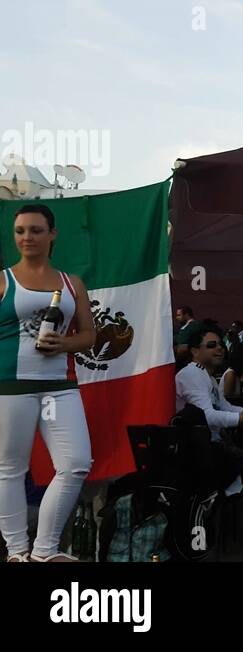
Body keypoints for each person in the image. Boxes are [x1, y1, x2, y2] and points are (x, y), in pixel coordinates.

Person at [0, 204, 96, 562]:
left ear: (52, 234)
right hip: (10, 386)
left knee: (76, 463)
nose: (27, 237)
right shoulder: (3, 279)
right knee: (9, 468)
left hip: (59, 385)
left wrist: (65, 344)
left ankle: (44, 550)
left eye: (36, 230)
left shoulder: (72, 283)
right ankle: (16, 552)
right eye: (20, 230)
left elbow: (88, 335)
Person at [175, 326, 243, 494]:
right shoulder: (191, 374)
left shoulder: (206, 376)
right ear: (194, 351)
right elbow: (207, 416)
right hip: (200, 454)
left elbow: (224, 406)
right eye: (211, 345)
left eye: (221, 344)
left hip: (212, 448)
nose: (219, 348)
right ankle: (231, 500)